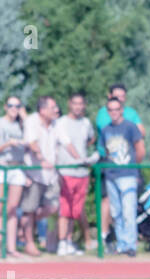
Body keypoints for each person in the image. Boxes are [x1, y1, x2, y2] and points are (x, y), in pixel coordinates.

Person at [95, 84, 143, 244]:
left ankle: (130, 245)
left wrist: (135, 169)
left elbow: (140, 149)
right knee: (116, 212)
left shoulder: (130, 126)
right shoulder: (106, 129)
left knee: (129, 211)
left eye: (117, 109)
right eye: (111, 110)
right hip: (111, 175)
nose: (114, 113)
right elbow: (106, 151)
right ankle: (122, 244)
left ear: (122, 109)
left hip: (128, 174)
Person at [55, 92, 96, 255]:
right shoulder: (62, 123)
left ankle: (69, 241)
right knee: (65, 209)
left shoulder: (86, 123)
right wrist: (79, 158)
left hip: (82, 173)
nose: (78, 107)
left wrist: (86, 158)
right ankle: (62, 242)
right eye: (75, 103)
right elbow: (67, 144)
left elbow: (90, 139)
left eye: (81, 104)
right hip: (66, 170)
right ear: (69, 104)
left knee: (75, 210)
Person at [0, 96, 29, 257]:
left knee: (13, 208)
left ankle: (11, 247)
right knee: (0, 207)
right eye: (11, 105)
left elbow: (32, 137)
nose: (14, 108)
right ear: (5, 107)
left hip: (17, 167)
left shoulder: (22, 124)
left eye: (17, 106)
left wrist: (25, 117)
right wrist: (8, 143)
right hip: (2, 167)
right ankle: (0, 245)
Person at [21, 96, 59, 256]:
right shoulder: (31, 121)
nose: (56, 110)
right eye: (53, 107)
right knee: (29, 210)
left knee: (53, 207)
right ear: (42, 110)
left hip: (51, 175)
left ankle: (22, 227)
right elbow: (32, 143)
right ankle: (29, 243)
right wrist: (42, 160)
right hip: (35, 173)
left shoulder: (56, 124)